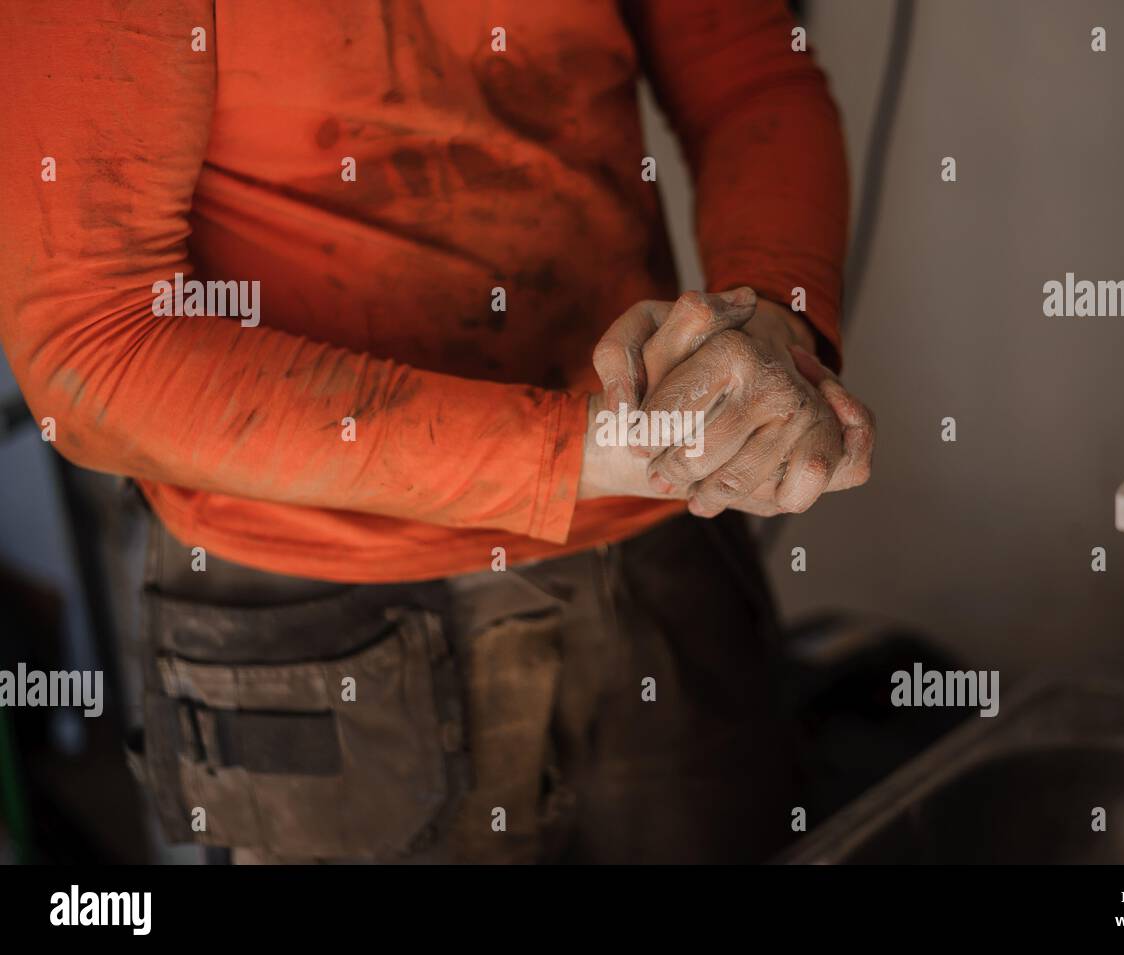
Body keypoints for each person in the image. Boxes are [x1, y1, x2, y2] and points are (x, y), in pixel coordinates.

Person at [0, 0, 873, 863]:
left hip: (653, 541)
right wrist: (567, 452)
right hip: (316, 611)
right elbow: (95, 348)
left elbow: (751, 79)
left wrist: (774, 323)